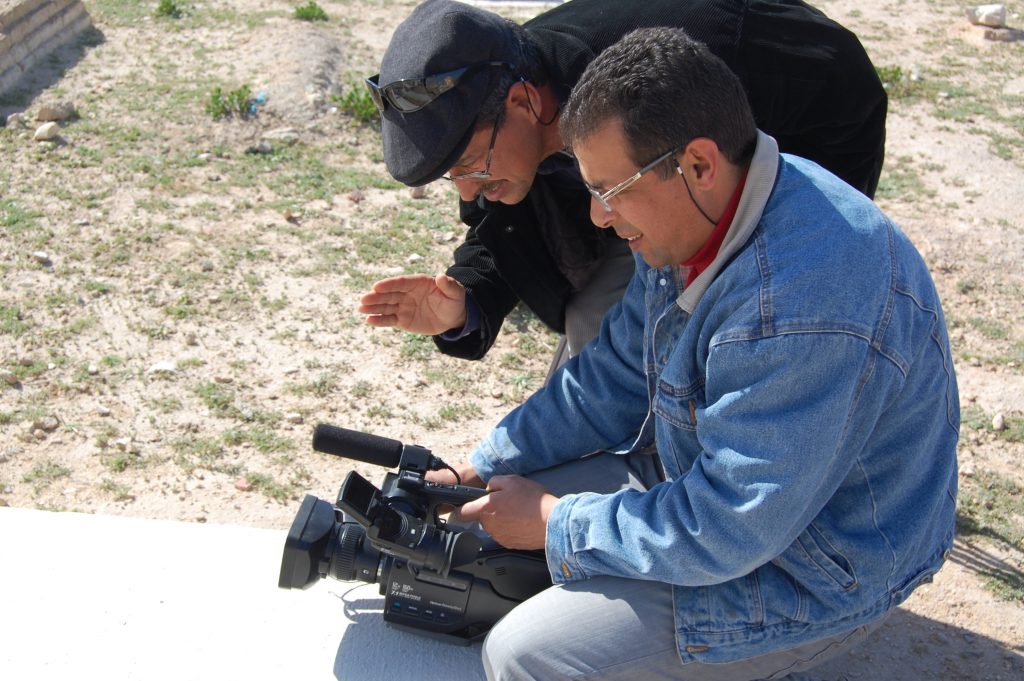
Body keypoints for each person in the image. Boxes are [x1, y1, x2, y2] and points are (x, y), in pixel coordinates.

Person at [439, 26, 960, 681]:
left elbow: (730, 526)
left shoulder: (797, 305)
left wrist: (556, 523)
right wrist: (482, 464)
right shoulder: (700, 214)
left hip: (813, 564)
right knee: (481, 522)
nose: (598, 217)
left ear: (699, 164)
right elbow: (611, 378)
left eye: (609, 190)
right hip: (726, 494)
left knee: (527, 654)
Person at [358, 0, 888, 371]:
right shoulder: (514, 94)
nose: (468, 191)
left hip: (791, 148)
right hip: (662, 193)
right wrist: (467, 298)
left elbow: (839, 79)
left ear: (524, 103)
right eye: (452, 176)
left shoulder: (672, 67)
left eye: (471, 165)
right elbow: (505, 227)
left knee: (728, 333)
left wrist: (798, 237)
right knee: (603, 326)